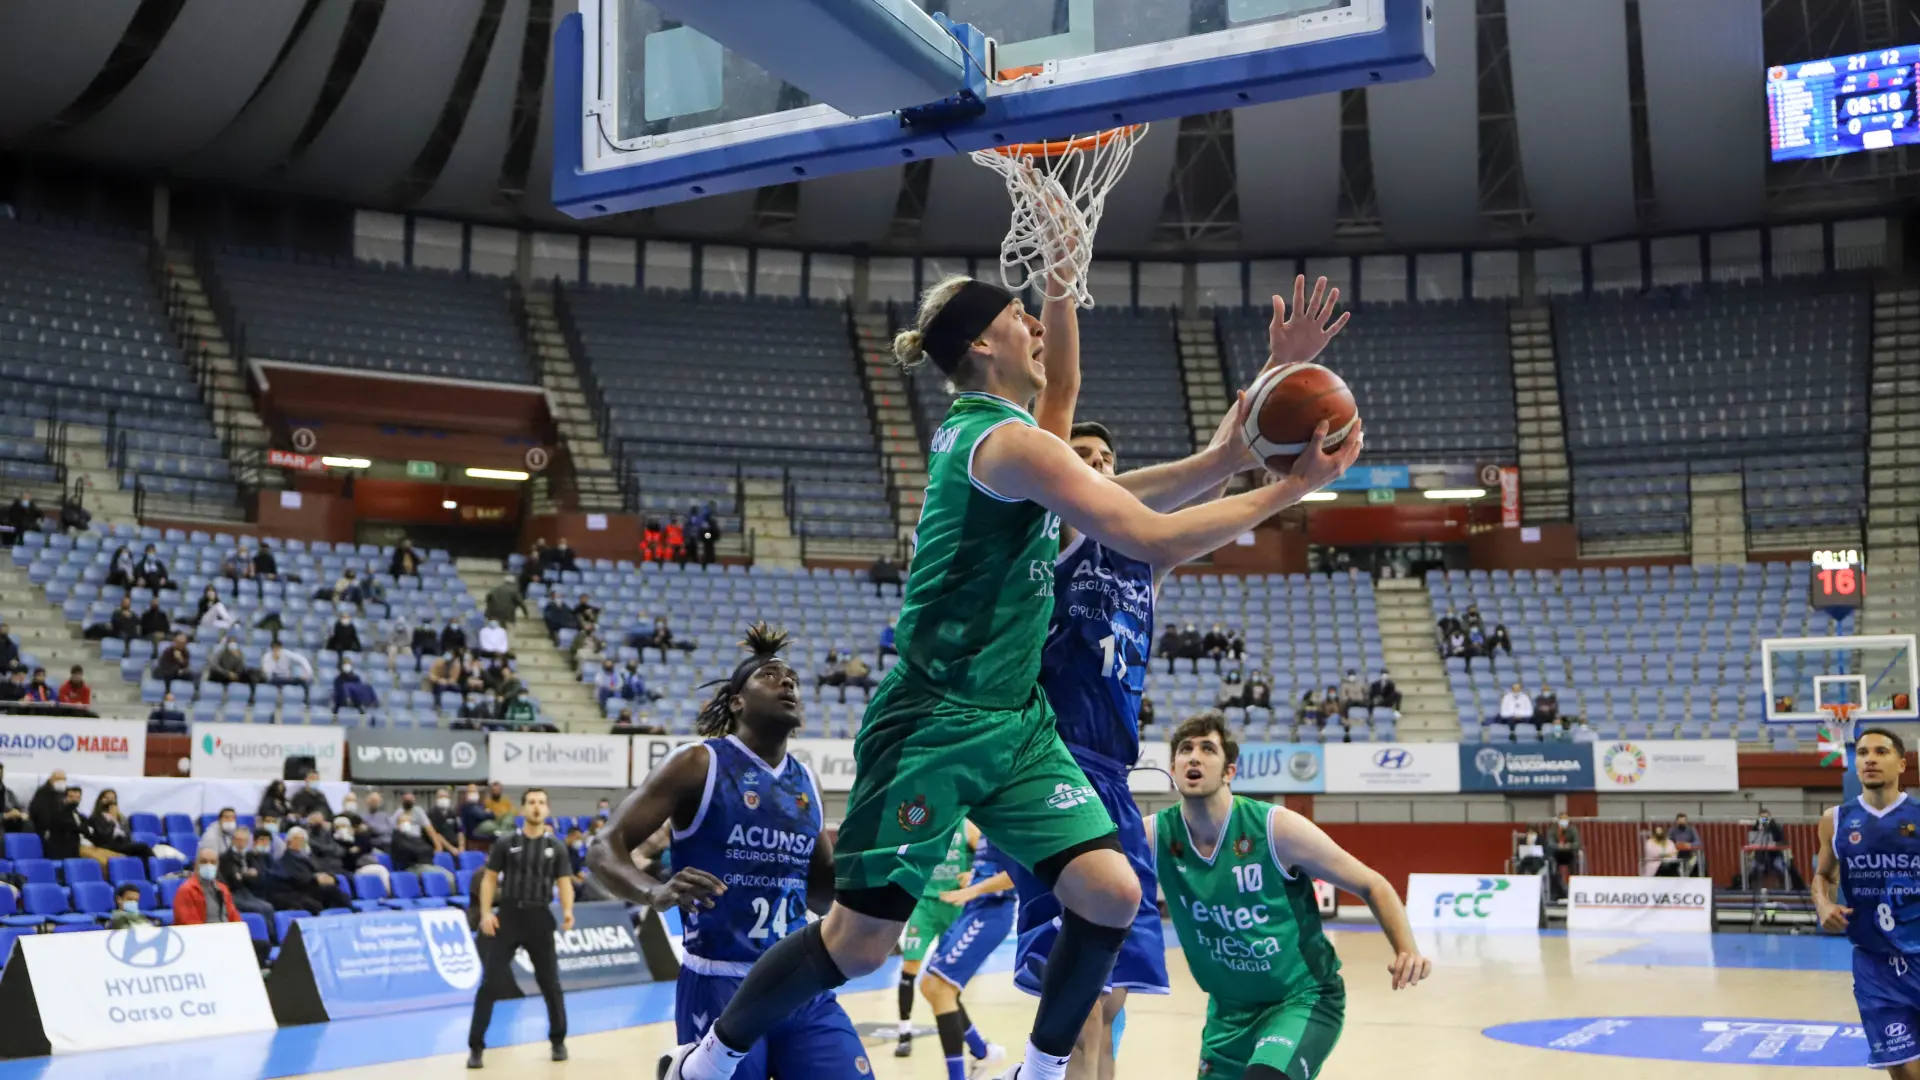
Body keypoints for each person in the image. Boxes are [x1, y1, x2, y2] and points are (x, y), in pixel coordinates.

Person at [659, 273, 1360, 1080]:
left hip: (1018, 721)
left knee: (1111, 892)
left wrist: (1254, 410)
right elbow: (1148, 529)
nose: (1032, 323)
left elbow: (1092, 409)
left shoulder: (1027, 444)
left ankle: (1038, 1068)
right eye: (1017, 314)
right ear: (984, 346)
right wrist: (1290, 486)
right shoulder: (1003, 443)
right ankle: (711, 1057)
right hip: (935, 718)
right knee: (859, 943)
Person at [588, 623, 866, 1080]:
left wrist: (870, 871)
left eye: (792, 677)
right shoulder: (699, 762)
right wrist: (653, 893)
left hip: (799, 977)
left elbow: (818, 893)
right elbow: (603, 848)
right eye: (771, 675)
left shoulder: (807, 782)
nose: (788, 682)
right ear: (738, 701)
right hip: (720, 983)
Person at [1155, 712, 1428, 1079]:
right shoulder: (1154, 835)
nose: (1194, 757)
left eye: (1208, 749)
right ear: (1173, 767)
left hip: (1301, 998)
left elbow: (1372, 883)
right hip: (1228, 1013)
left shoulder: (1275, 828)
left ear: (1229, 772)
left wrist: (1406, 947)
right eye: (1185, 749)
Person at [1813, 727, 1920, 1076]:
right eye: (1862, 753)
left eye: (1881, 752)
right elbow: (1823, 876)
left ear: (1901, 763)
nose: (1870, 759)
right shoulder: (1835, 819)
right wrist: (1823, 905)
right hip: (1874, 964)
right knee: (1902, 1069)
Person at [467, 788, 575, 1068]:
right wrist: (486, 912)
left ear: (547, 810)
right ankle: (476, 1047)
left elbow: (564, 882)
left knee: (550, 983)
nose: (536, 807)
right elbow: (489, 879)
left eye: (541, 802)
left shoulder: (557, 847)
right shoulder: (506, 842)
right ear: (523, 809)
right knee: (490, 983)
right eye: (531, 802)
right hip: (509, 917)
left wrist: (567, 911)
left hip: (540, 917)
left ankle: (558, 1041)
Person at [921, 831, 1016, 1080]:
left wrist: (976, 888)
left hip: (992, 912)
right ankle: (983, 1051)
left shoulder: (1007, 818)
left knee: (942, 990)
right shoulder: (982, 823)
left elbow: (1019, 875)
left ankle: (960, 1074)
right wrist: (971, 877)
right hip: (974, 908)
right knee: (929, 985)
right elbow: (990, 867)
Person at [897, 820, 982, 1058]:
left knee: (946, 980)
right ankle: (904, 1032)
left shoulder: (966, 826)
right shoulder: (920, 824)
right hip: (923, 904)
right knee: (909, 967)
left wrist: (973, 874)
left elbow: (987, 858)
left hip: (953, 905)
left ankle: (971, 1040)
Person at [264, 826, 351, 913]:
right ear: (289, 841)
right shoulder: (285, 859)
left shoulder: (308, 857)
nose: (301, 842)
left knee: (334, 891)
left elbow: (321, 869)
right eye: (299, 839)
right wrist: (315, 878)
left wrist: (331, 877)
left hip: (313, 888)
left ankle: (351, 912)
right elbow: (295, 877)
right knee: (313, 903)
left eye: (303, 840)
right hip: (300, 891)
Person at [219, 826, 278, 919]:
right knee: (260, 909)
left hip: (249, 892)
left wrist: (246, 876)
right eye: (238, 839)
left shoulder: (250, 856)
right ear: (233, 840)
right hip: (233, 893)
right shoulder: (225, 858)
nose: (240, 843)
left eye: (243, 840)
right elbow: (232, 879)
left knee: (268, 907)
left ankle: (272, 934)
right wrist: (246, 875)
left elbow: (259, 876)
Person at [88, 789, 155, 860]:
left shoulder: (120, 817)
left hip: (123, 843)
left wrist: (118, 818)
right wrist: (112, 820)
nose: (110, 801)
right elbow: (104, 836)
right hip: (109, 844)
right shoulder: (96, 817)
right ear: (100, 800)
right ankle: (156, 867)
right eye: (106, 798)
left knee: (141, 852)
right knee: (143, 847)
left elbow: (127, 833)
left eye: (113, 798)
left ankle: (152, 867)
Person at [1746, 806, 1800, 890]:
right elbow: (1753, 840)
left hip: (1774, 856)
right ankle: (1747, 887)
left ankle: (1788, 887)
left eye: (1766, 818)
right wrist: (1760, 828)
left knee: (1781, 867)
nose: (1764, 820)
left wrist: (1770, 829)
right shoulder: (1756, 827)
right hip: (1760, 857)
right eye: (1762, 818)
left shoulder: (1775, 827)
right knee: (1752, 867)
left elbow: (1781, 840)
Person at [1545, 813, 1581, 901]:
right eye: (1562, 819)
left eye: (1566, 819)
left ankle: (1574, 885)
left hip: (1569, 853)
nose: (1564, 821)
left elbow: (1577, 843)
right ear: (1558, 820)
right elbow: (1550, 843)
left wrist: (1569, 845)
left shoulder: (1572, 829)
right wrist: (1558, 846)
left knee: (1575, 860)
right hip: (1557, 854)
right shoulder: (1552, 830)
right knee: (1551, 863)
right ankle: (1557, 890)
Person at [1670, 813, 1703, 878]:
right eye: (1680, 821)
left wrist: (1689, 844)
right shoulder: (1672, 830)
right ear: (1677, 821)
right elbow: (1668, 842)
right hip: (1676, 853)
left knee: (1696, 859)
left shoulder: (1691, 830)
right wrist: (1676, 845)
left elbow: (1698, 842)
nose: (1682, 822)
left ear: (1686, 821)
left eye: (1683, 821)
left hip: (1689, 853)